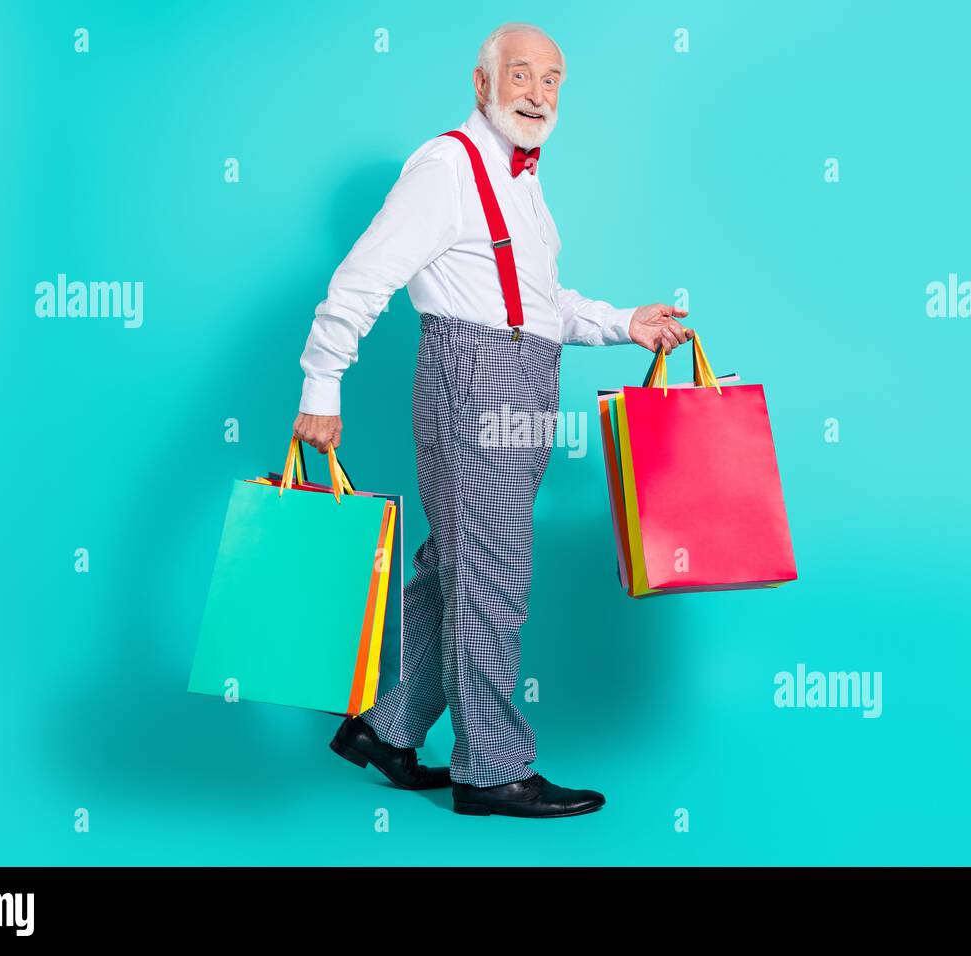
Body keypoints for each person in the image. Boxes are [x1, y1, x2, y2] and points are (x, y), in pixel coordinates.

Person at [294, 22, 692, 818]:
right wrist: (322, 385)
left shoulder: (523, 183)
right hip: (475, 380)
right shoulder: (448, 166)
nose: (538, 93)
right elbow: (363, 276)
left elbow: (539, 306)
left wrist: (624, 323)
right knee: (493, 578)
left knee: (460, 570)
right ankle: (491, 769)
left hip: (522, 377)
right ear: (482, 83)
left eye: (552, 80)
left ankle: (386, 725)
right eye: (521, 75)